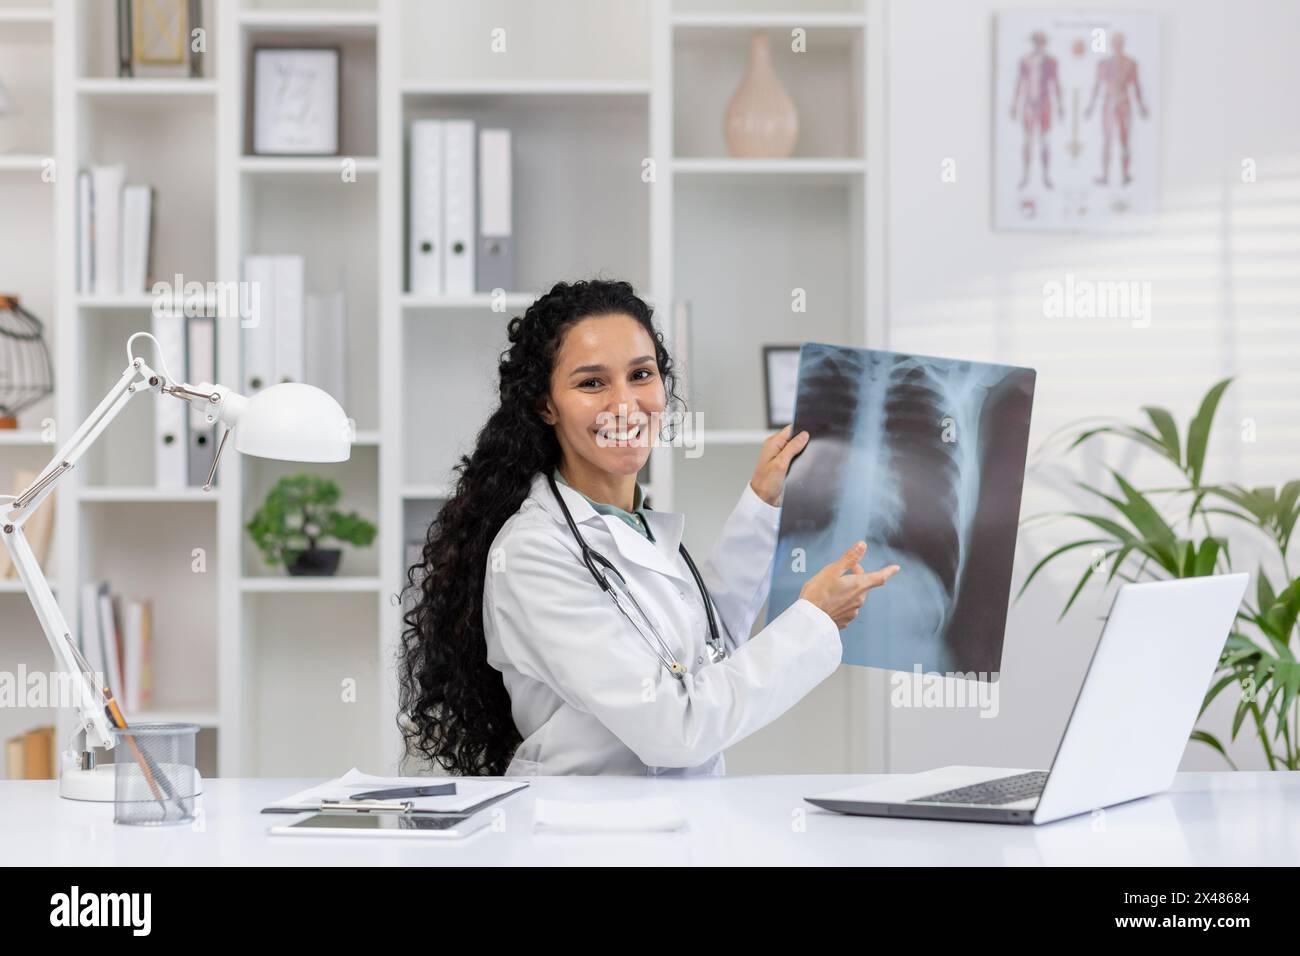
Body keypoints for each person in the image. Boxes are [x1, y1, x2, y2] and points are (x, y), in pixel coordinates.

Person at [398, 279, 899, 776]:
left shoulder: (636, 525)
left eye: (641, 374)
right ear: (545, 405)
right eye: (591, 383)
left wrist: (764, 501)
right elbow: (675, 729)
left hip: (678, 823)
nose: (624, 403)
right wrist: (812, 621)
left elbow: (706, 650)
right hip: (582, 835)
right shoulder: (533, 551)